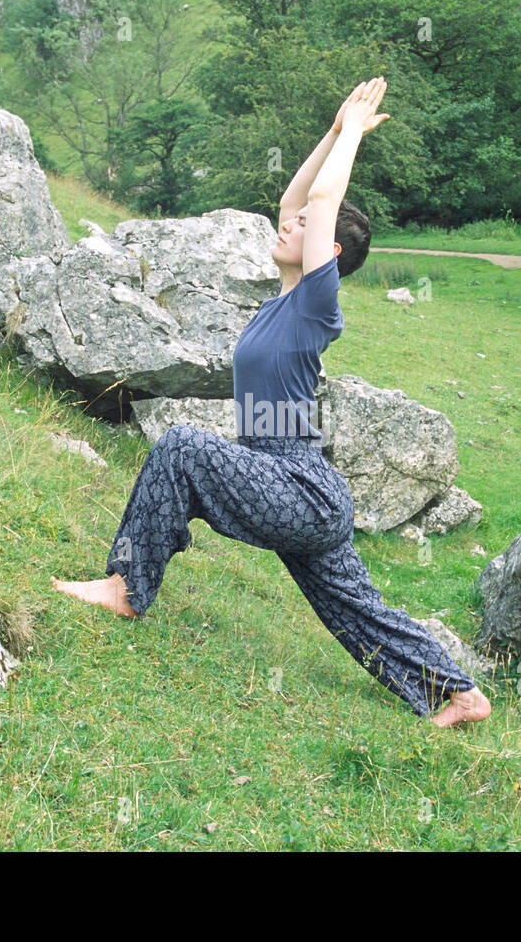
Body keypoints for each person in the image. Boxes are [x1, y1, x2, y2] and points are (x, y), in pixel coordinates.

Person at [53, 78, 491, 728]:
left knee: (181, 447)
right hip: (294, 484)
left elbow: (320, 198)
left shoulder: (317, 306)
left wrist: (349, 132)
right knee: (354, 610)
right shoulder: (279, 303)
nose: (290, 223)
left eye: (307, 228)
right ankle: (462, 693)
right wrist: (335, 133)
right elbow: (298, 196)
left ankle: (126, 586)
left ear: (331, 253)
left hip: (298, 482)